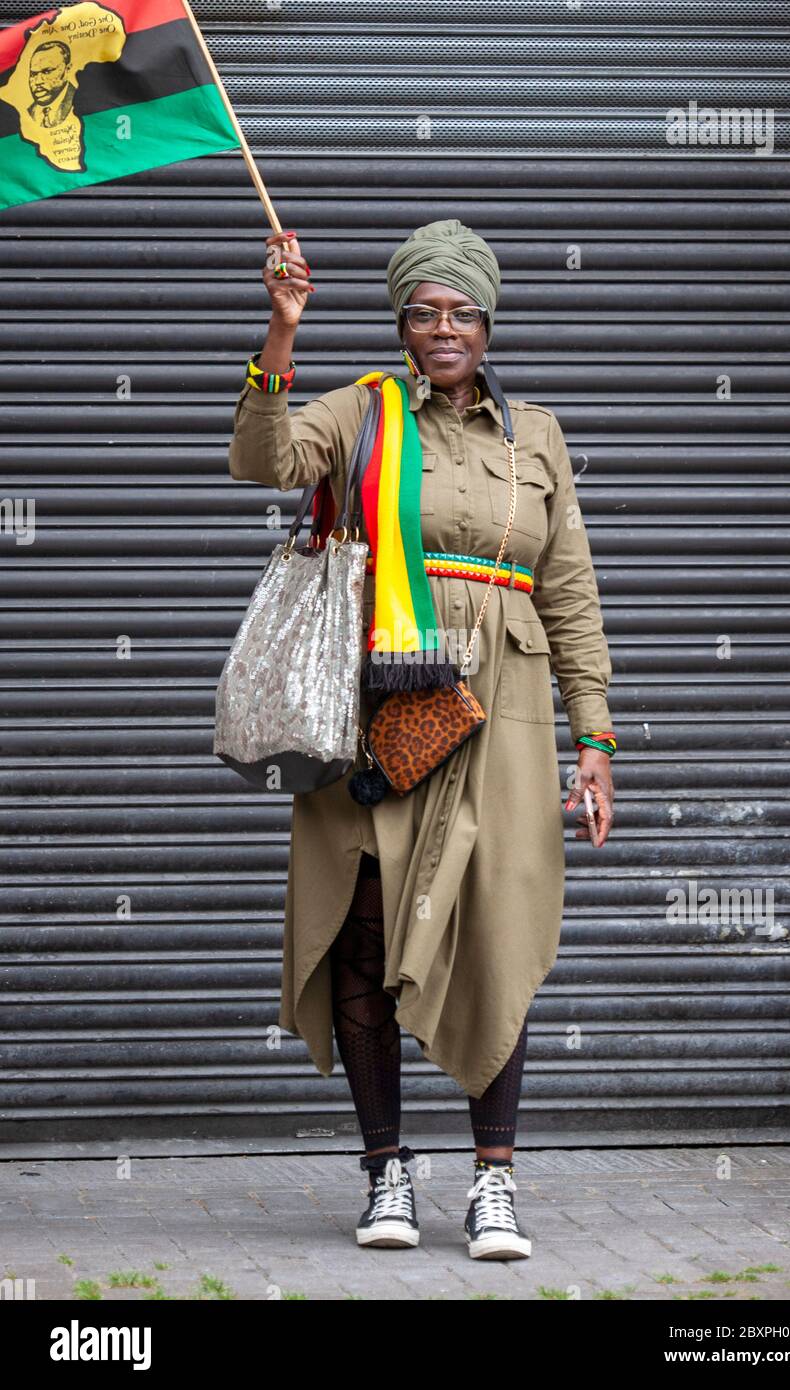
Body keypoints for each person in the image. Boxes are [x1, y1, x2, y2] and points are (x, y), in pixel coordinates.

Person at [227, 219, 615, 1260]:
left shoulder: (537, 435)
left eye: (463, 310)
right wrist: (279, 328)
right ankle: (386, 1172)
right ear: (402, 321)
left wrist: (597, 737)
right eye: (424, 309)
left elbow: (571, 591)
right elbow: (261, 461)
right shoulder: (365, 411)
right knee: (362, 926)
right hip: (379, 712)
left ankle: (495, 1181)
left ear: (487, 323)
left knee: (498, 924)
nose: (444, 327)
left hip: (509, 721)